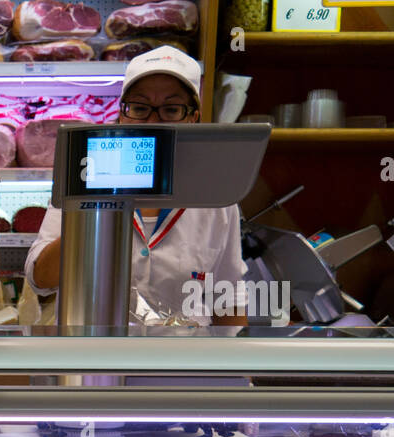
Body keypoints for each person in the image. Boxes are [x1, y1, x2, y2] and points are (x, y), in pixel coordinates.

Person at [24, 47, 248, 327]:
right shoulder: (85, 177)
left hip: (184, 362)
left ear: (193, 118)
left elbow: (228, 300)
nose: (153, 122)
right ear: (122, 115)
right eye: (140, 109)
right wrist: (93, 207)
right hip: (94, 360)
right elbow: (40, 278)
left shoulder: (217, 198)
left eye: (171, 109)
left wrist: (237, 370)